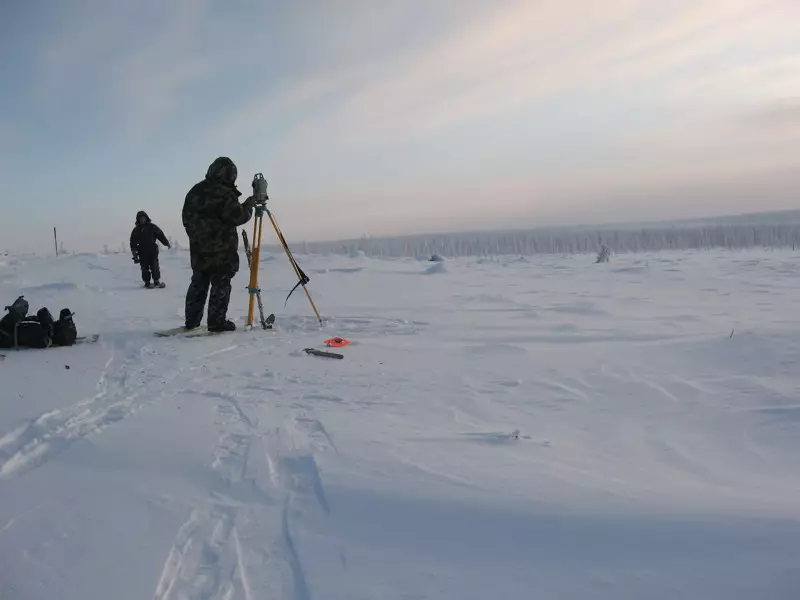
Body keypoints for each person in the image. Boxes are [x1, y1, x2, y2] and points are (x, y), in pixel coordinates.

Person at [182, 157, 256, 332]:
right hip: (221, 250)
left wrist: (198, 236)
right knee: (221, 284)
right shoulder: (223, 192)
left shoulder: (196, 190)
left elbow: (186, 218)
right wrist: (248, 205)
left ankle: (191, 321)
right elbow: (237, 216)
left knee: (198, 282)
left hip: (199, 249)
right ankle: (217, 322)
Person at [130, 211, 170, 288]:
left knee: (154, 265)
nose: (142, 219)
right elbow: (133, 242)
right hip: (142, 251)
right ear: (138, 219)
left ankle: (156, 281)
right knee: (144, 267)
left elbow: (160, 235)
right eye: (140, 218)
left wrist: (166, 243)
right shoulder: (136, 230)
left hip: (153, 250)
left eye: (143, 218)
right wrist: (134, 254)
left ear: (146, 218)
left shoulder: (152, 227)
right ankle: (147, 282)